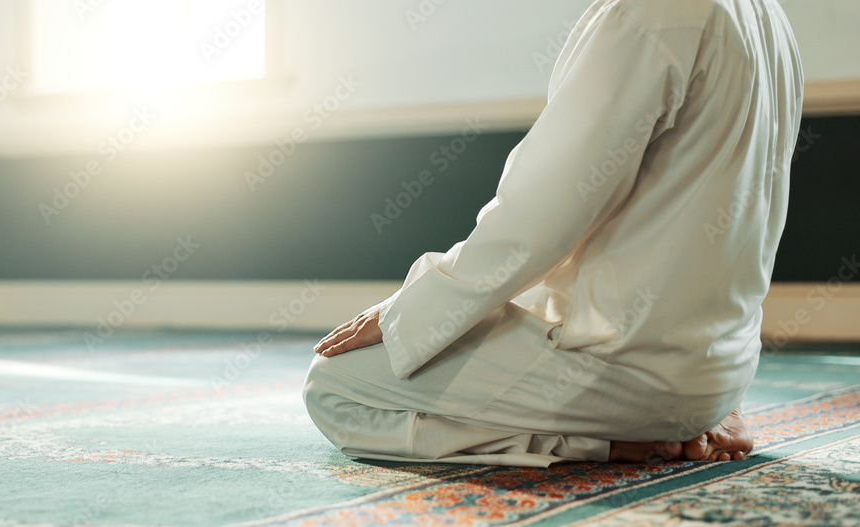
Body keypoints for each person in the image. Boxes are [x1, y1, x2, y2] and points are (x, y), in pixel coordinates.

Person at [303, 0, 804, 466]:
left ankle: (616, 439)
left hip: (633, 369)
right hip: (724, 371)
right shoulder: (768, 17)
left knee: (333, 387)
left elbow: (541, 217)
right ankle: (683, 415)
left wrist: (406, 314)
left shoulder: (649, 12)